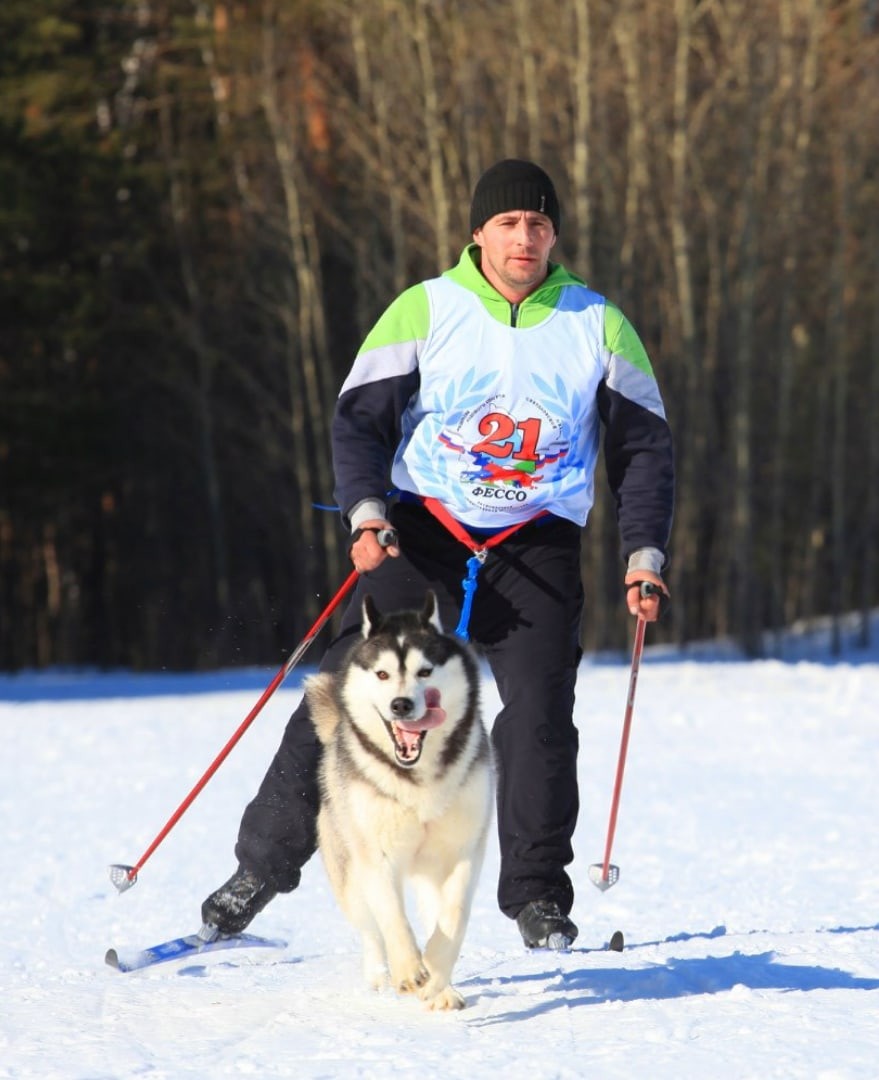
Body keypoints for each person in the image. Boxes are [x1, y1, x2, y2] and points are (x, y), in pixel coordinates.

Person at [201, 159, 674, 950]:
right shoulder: (426, 308)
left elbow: (645, 448)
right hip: (421, 532)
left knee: (539, 713)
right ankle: (262, 866)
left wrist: (643, 554)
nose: (524, 237)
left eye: (538, 224)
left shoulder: (597, 322)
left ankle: (535, 897)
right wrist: (365, 514)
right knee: (345, 686)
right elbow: (358, 420)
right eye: (508, 224)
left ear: (554, 234)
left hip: (534, 542)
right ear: (478, 233)